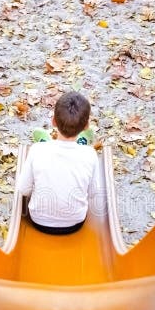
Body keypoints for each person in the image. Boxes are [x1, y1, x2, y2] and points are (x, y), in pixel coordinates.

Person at [15, 91, 100, 235]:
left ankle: (47, 142)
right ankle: (81, 142)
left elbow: (23, 189)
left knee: (42, 155)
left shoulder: (37, 151)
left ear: (53, 121)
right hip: (75, 223)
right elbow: (93, 193)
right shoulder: (90, 155)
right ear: (86, 126)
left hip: (39, 221)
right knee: (81, 150)